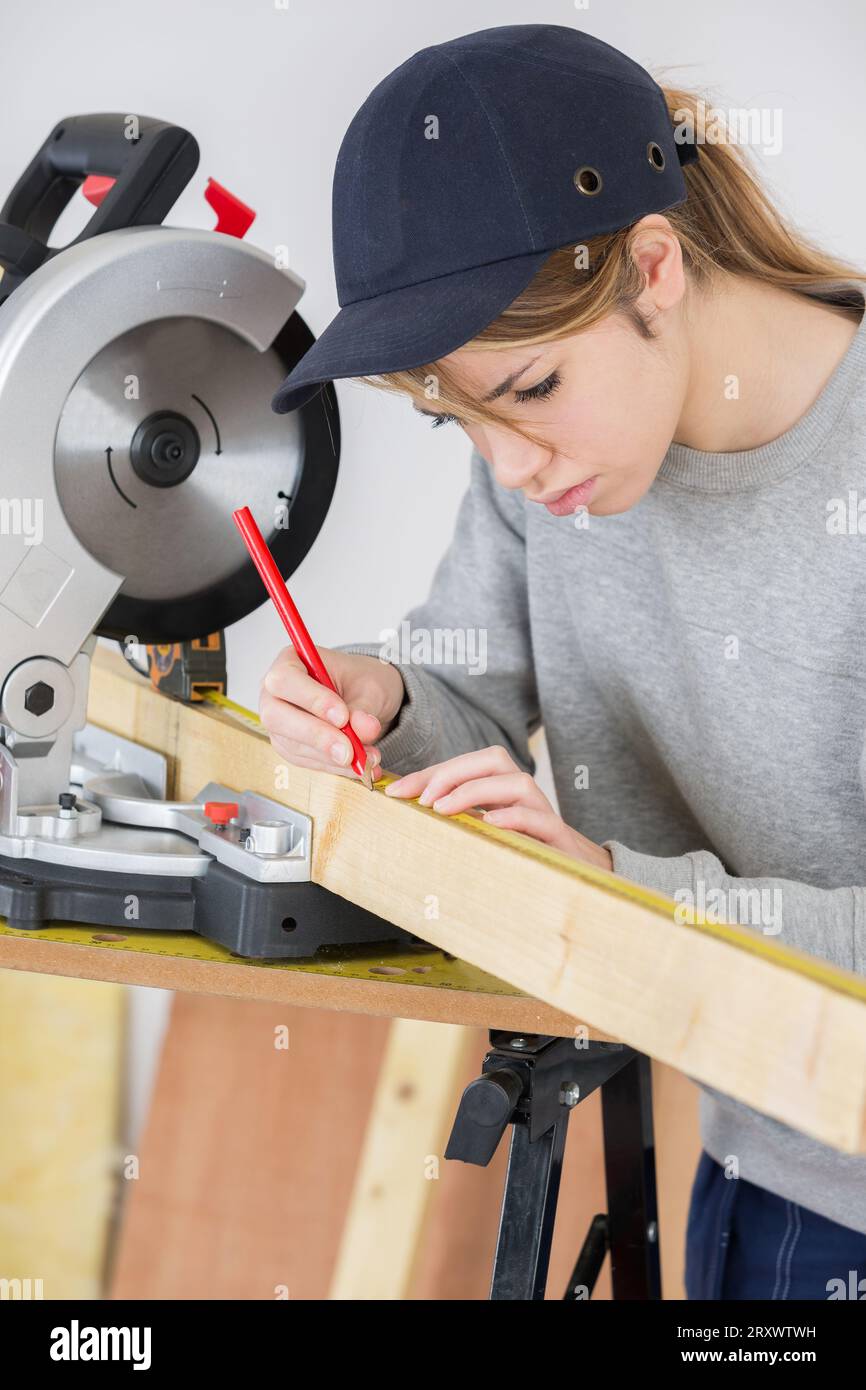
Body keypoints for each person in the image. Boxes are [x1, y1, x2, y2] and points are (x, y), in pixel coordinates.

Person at [260, 24, 866, 1299]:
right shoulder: (560, 470)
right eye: (455, 421)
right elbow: (468, 692)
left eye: (528, 389)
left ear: (653, 267)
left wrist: (616, 889)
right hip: (758, 1155)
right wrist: (384, 699)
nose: (512, 467)